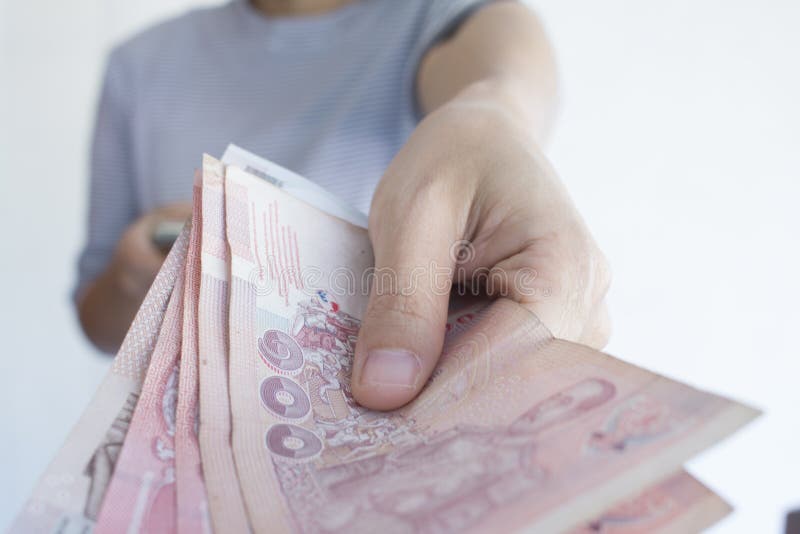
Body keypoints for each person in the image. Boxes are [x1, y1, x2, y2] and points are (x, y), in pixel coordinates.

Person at [75, 0, 610, 411]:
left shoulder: (429, 19)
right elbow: (96, 322)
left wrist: (493, 110)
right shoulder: (137, 66)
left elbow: (502, 64)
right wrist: (130, 278)